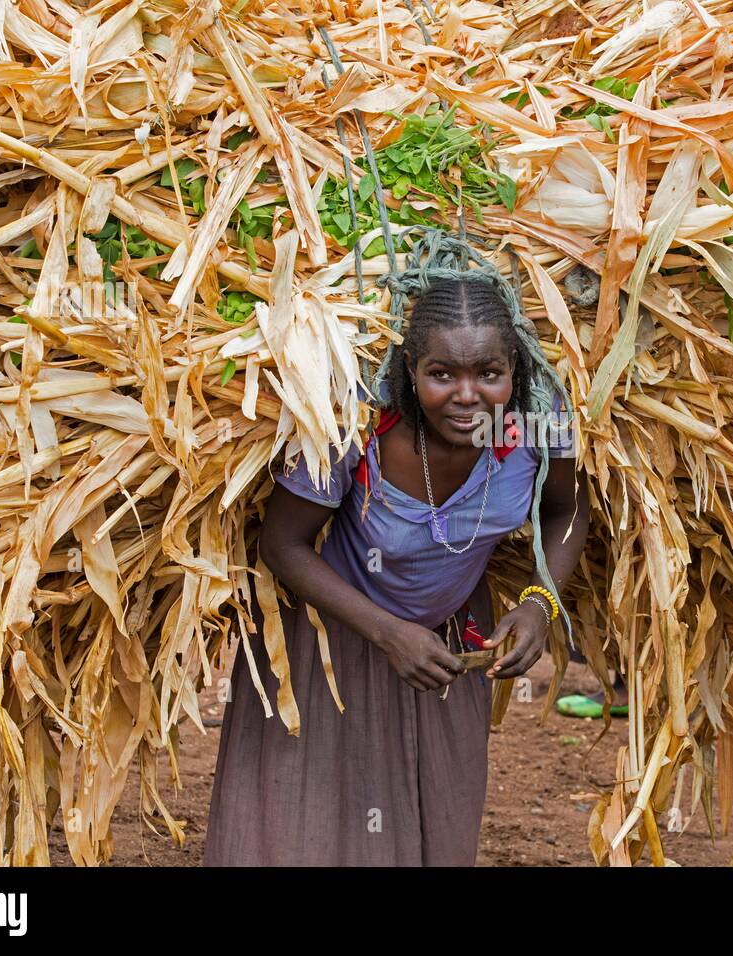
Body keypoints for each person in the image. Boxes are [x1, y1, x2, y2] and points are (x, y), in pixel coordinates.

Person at [203, 266, 589, 866]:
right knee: (307, 818)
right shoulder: (355, 425)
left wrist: (541, 603)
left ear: (514, 368)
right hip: (325, 637)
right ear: (411, 372)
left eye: (489, 373)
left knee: (434, 813)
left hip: (447, 638)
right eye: (442, 374)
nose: (468, 396)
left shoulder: (540, 422)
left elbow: (566, 511)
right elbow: (283, 545)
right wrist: (385, 633)